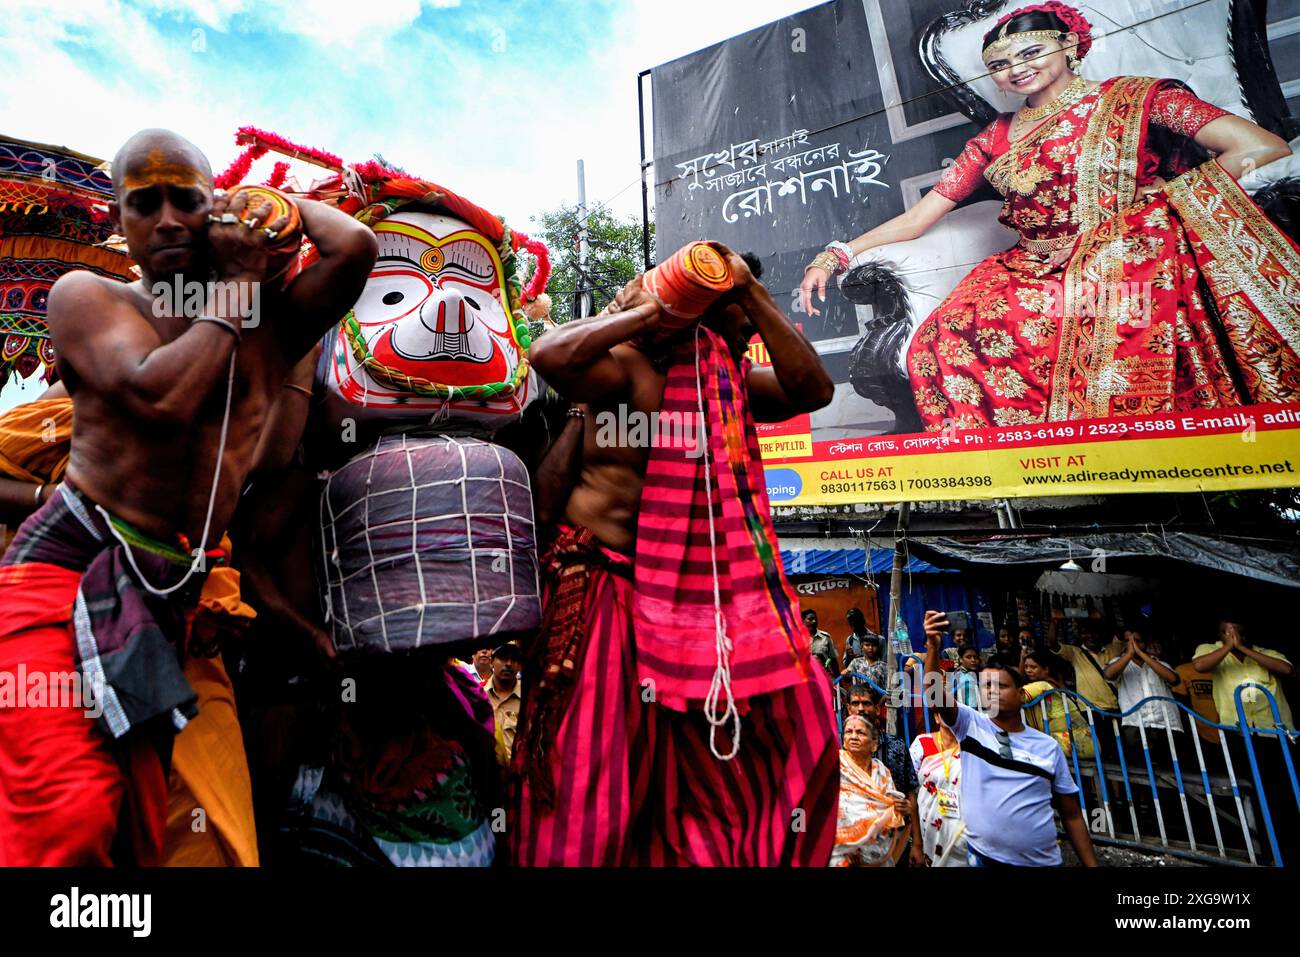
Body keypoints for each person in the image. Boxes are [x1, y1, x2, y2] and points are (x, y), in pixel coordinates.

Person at [0, 128, 376, 866]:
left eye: (188, 200)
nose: (169, 219)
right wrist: (235, 287)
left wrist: (272, 205)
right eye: (146, 203)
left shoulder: (271, 327)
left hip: (172, 597)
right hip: (63, 576)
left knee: (154, 831)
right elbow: (159, 395)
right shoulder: (89, 298)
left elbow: (355, 248)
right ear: (121, 222)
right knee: (66, 819)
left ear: (214, 210)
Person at [800, 2, 1300, 430]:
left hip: (1129, 247)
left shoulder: (1133, 98)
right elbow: (917, 219)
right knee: (940, 339)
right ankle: (1018, 480)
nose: (1015, 68)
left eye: (1030, 52)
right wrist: (835, 254)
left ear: (1069, 45)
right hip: (1033, 266)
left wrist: (1146, 213)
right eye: (997, 64)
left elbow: (1260, 148)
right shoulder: (994, 138)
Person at [510, 244, 838, 866]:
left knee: (796, 722)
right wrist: (653, 308)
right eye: (739, 321)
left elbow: (812, 389)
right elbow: (549, 353)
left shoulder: (731, 383)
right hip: (606, 592)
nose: (750, 336)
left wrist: (750, 293)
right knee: (592, 774)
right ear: (701, 319)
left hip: (693, 610)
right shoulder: (627, 371)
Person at [923, 610, 1098, 866]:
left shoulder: (1047, 747)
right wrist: (933, 646)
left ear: (1022, 694)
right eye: (987, 687)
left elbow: (1071, 815)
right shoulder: (971, 725)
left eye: (1001, 686)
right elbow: (935, 694)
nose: (992, 692)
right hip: (983, 858)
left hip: (1041, 862)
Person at [844, 684, 923, 864]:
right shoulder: (839, 752)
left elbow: (910, 796)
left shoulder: (897, 746)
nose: (861, 708)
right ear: (848, 709)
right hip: (852, 847)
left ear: (878, 708)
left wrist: (917, 843)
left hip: (895, 841)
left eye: (866, 703)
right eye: (855, 703)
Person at [831, 714, 909, 867]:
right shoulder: (833, 767)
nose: (853, 737)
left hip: (880, 858)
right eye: (849, 732)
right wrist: (845, 847)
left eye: (860, 733)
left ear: (874, 744)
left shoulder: (882, 772)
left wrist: (902, 810)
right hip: (842, 857)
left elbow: (891, 814)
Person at [1193, 621, 1294, 731]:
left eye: (1238, 632)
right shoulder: (1209, 649)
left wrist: (1241, 647)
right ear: (1219, 635)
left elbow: (1286, 670)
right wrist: (1228, 646)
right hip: (1236, 727)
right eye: (1226, 633)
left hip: (1275, 727)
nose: (1233, 636)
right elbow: (1200, 666)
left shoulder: (1266, 652)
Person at [1104, 627, 1183, 750]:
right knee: (1142, 766)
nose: (1132, 644)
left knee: (1170, 765)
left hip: (1167, 724)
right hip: (1135, 724)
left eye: (1137, 641)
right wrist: (1129, 654)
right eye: (1128, 641)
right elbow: (1108, 674)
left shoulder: (1159, 663)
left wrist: (1142, 654)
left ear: (1145, 643)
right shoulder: (1118, 663)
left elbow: (1173, 679)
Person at [909, 719, 968, 867]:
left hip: (962, 829)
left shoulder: (970, 746)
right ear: (936, 717)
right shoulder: (922, 743)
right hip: (928, 823)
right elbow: (910, 787)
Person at [1021, 648, 1094, 762]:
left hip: (1071, 743)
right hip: (1085, 742)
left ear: (1046, 670)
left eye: (1033, 667)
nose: (1028, 670)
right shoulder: (1055, 683)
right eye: (1026, 667)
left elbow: (1016, 696)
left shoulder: (1042, 685)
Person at [486, 642, 523, 755]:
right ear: (492, 662)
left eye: (514, 659)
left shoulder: (528, 700)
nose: (508, 664)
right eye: (503, 658)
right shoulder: (478, 697)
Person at [803, 609, 839, 682]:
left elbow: (833, 660)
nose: (814, 621)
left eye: (815, 619)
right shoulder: (797, 638)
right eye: (810, 619)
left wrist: (838, 680)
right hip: (805, 678)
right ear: (803, 621)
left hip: (824, 677)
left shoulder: (825, 637)